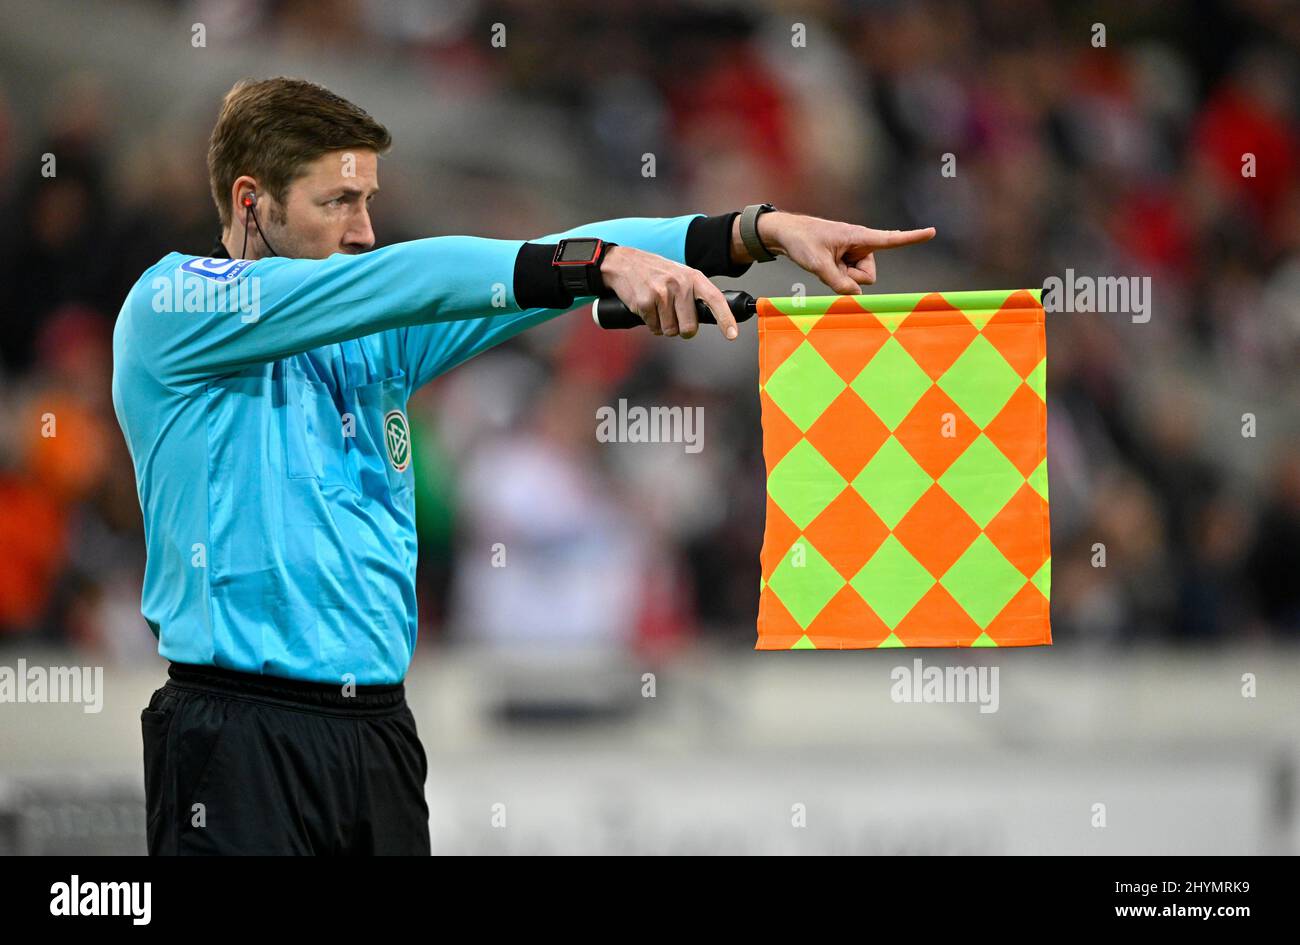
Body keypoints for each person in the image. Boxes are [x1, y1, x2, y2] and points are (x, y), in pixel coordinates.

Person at [111, 76, 935, 855]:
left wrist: (752, 232)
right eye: (338, 203)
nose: (364, 229)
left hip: (378, 740)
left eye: (368, 201)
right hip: (237, 737)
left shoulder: (378, 326)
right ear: (252, 204)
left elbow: (525, 263)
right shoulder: (172, 309)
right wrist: (598, 263)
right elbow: (429, 268)